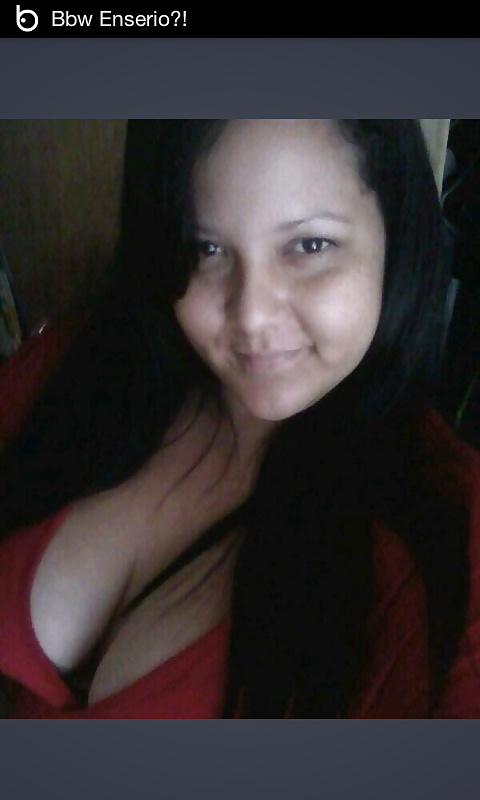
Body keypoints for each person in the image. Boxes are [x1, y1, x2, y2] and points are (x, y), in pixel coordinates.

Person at [0, 119, 479, 718]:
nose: (251, 315)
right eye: (206, 248)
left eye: (309, 246)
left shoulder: (446, 543)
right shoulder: (79, 363)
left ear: (396, 236)